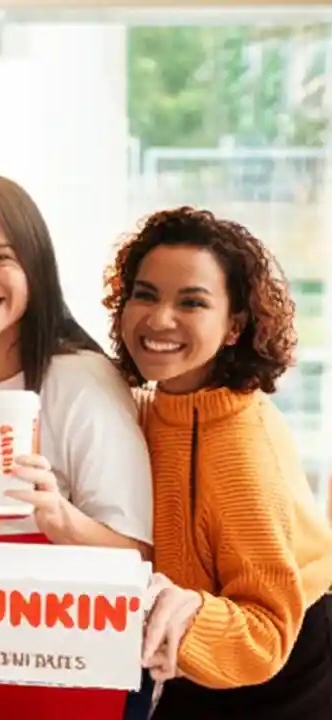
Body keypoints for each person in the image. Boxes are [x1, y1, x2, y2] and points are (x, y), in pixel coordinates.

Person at [0, 174, 153, 720]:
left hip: (75, 693)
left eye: (1, 257)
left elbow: (140, 560)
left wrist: (62, 520)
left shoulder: (82, 382)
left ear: (36, 271)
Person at [104, 207, 332, 719]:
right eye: (145, 294)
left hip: (283, 667)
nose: (159, 319)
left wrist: (188, 616)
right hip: (195, 646)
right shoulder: (152, 406)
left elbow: (267, 632)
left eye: (192, 302)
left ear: (234, 327)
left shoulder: (244, 448)